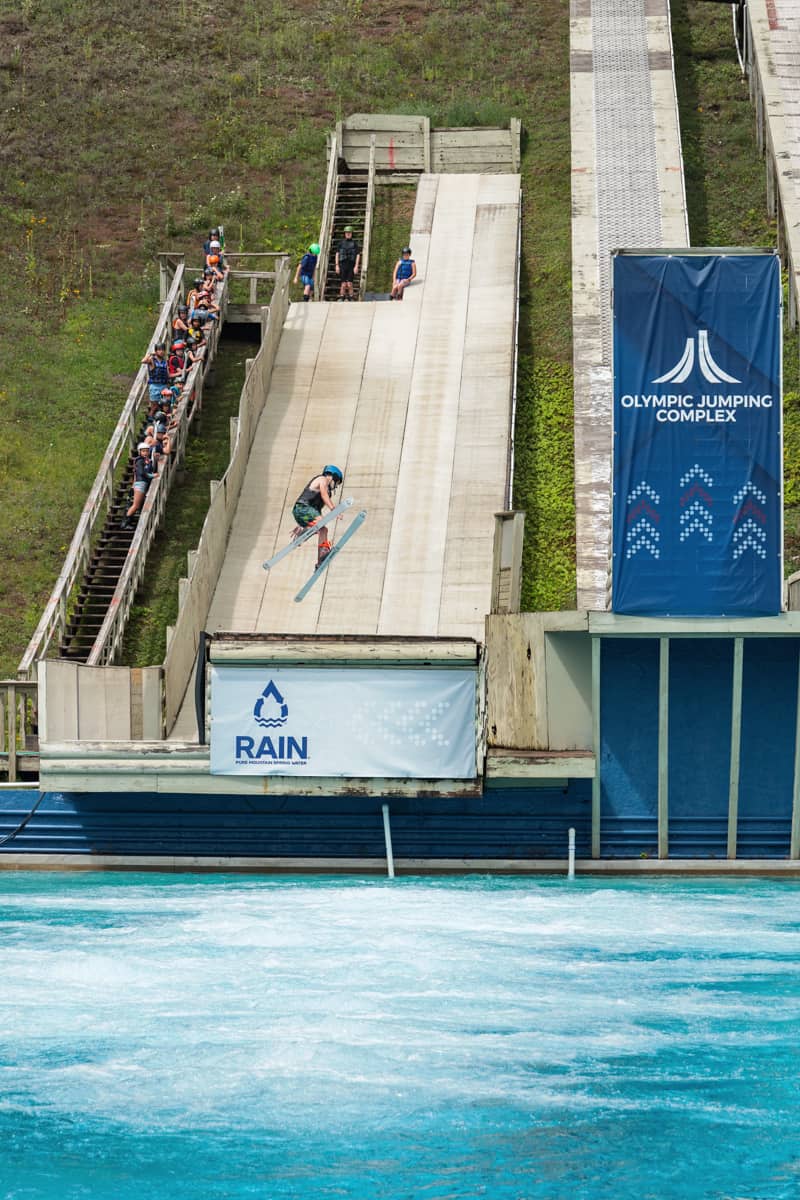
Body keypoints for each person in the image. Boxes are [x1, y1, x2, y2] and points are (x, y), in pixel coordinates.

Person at [291, 465, 344, 567]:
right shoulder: (322, 479)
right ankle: (302, 533)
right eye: (336, 483)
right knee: (321, 521)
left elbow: (317, 511)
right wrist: (334, 510)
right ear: (334, 477)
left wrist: (303, 524)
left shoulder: (327, 492)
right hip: (302, 508)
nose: (335, 486)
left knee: (323, 529)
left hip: (306, 516)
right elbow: (324, 495)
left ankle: (321, 557)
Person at [120, 444, 156, 529]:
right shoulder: (140, 460)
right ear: (140, 452)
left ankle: (128, 522)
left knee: (138, 505)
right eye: (143, 451)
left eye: (147, 451)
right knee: (135, 505)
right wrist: (152, 475)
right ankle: (124, 524)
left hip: (143, 483)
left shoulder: (146, 460)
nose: (145, 453)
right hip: (140, 484)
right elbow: (141, 473)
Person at [335, 226, 361, 300]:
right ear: (345, 233)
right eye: (347, 233)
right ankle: (342, 297)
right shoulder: (340, 243)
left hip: (351, 265)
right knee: (343, 284)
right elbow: (337, 254)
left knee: (349, 284)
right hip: (342, 265)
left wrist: (356, 266)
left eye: (349, 233)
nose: (348, 234)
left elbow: (358, 255)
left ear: (351, 233)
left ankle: (351, 297)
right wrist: (337, 265)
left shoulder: (355, 244)